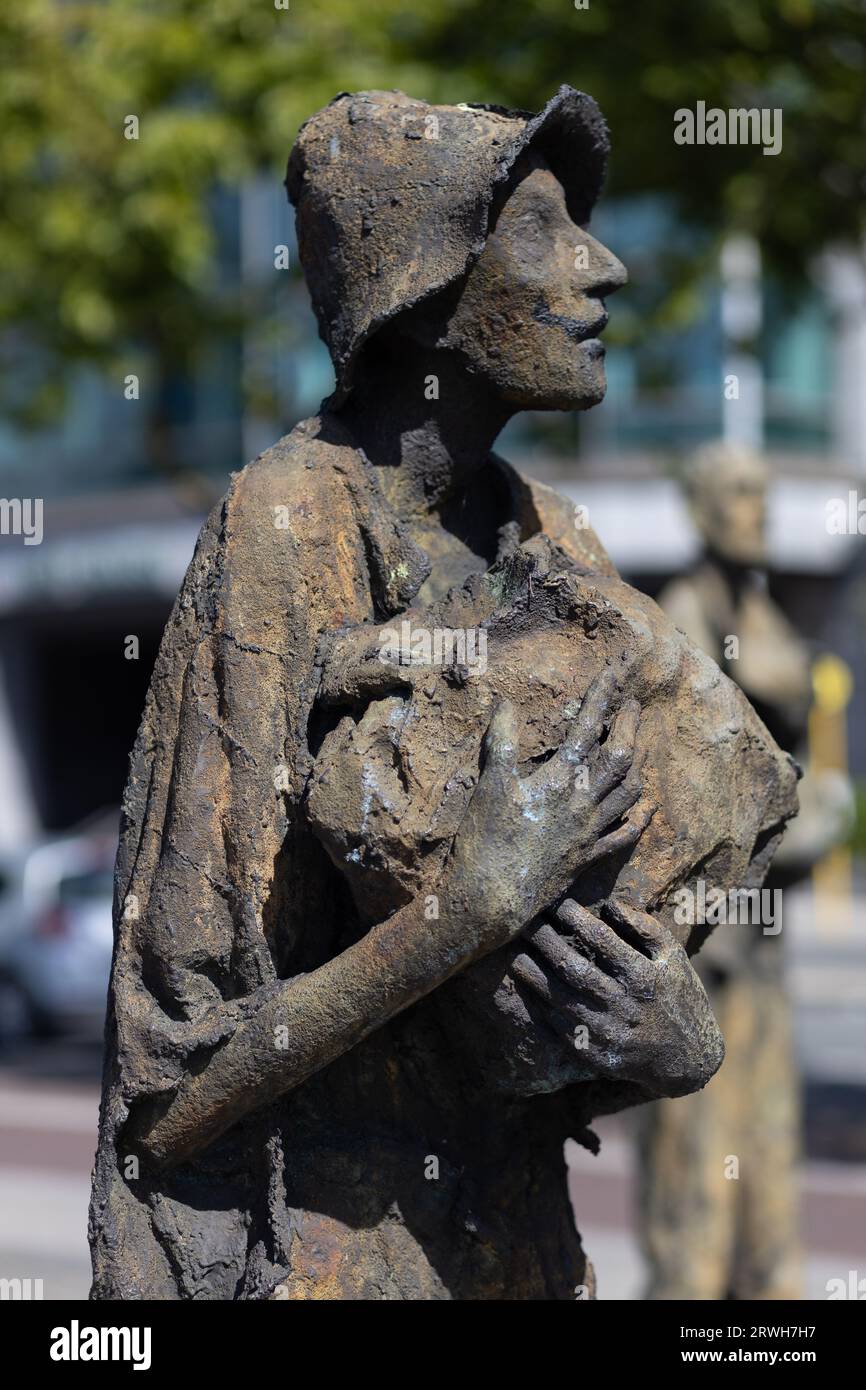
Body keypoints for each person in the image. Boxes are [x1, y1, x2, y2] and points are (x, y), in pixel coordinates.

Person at [89, 91, 795, 1300]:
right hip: (325, 1260)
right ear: (417, 289)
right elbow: (171, 1096)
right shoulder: (286, 528)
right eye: (539, 232)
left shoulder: (551, 538)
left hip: (513, 1249)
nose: (603, 268)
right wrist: (459, 914)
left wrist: (669, 1038)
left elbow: (547, 1024)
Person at [638, 441, 851, 1300]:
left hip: (763, 952)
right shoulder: (680, 618)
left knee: (769, 1198)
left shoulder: (765, 625)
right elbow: (684, 793)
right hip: (700, 957)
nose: (754, 509)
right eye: (736, 493)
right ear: (699, 507)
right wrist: (796, 828)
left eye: (763, 493)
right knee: (695, 1211)